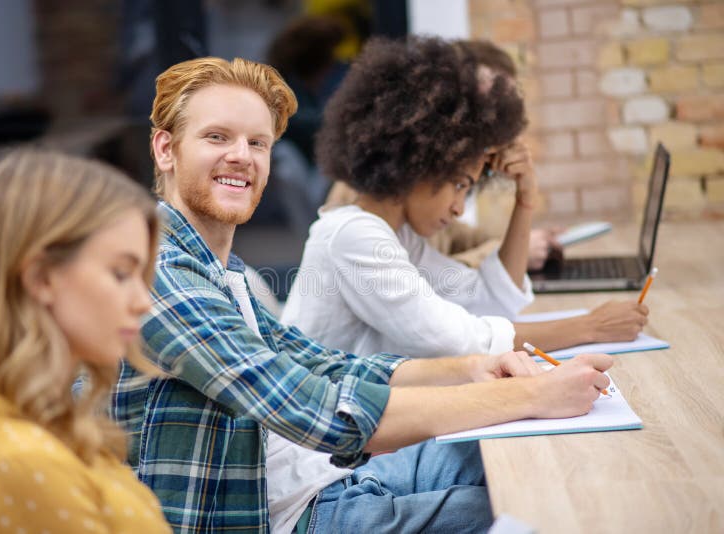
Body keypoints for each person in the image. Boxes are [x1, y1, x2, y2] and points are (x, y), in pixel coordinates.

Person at [111, 45, 616, 534]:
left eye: (257, 143)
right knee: (544, 509)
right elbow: (311, 407)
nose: (241, 156)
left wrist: (473, 370)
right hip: (284, 518)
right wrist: (531, 394)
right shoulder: (160, 275)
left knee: (533, 466)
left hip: (323, 480)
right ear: (165, 148)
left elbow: (322, 364)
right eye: (217, 137)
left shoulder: (226, 272)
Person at [282, 37, 648, 357]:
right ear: (418, 161)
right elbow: (453, 340)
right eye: (459, 184)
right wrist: (590, 327)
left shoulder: (399, 237)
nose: (459, 209)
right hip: (326, 437)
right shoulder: (353, 235)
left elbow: (490, 298)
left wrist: (526, 201)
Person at [0, 151, 172, 533]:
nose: (143, 301)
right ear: (42, 278)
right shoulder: (23, 460)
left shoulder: (44, 435)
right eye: (120, 273)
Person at [323, 38, 562, 271]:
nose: (493, 115)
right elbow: (420, 285)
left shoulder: (431, 203)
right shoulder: (370, 198)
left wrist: (520, 240)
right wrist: (501, 253)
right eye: (485, 101)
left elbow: (456, 239)